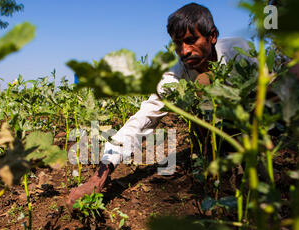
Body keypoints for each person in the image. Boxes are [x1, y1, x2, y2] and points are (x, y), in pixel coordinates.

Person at [66, 2, 255, 212]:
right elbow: (142, 119)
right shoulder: (175, 75)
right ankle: (212, 161)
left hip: (252, 124)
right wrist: (99, 176)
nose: (184, 51)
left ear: (212, 36)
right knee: (201, 86)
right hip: (210, 133)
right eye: (177, 44)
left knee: (207, 82)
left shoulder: (239, 51)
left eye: (191, 41)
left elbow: (274, 89)